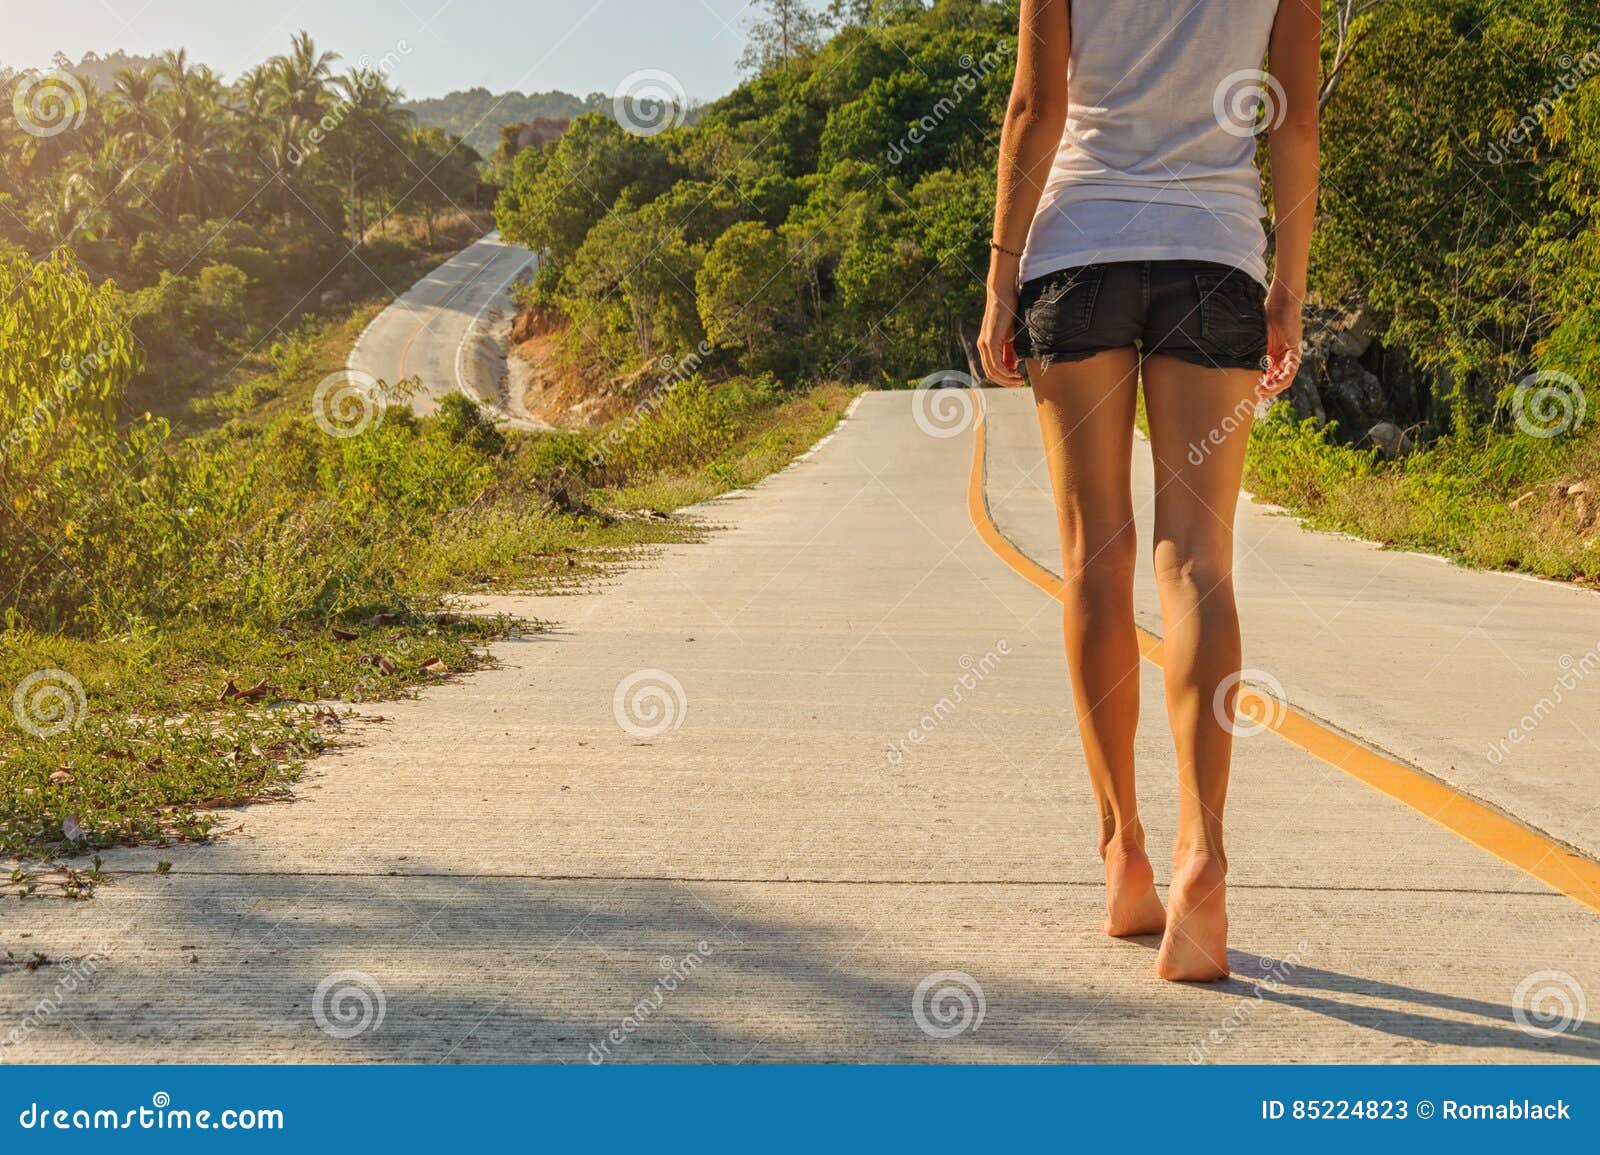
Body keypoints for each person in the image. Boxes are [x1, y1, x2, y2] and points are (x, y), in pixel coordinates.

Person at [978, 0, 1320, 981]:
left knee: (1094, 557)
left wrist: (1002, 280)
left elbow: (1034, 108)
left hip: (1076, 248)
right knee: (1197, 559)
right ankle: (1201, 849)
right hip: (1212, 257)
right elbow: (1293, 124)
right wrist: (1286, 288)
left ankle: (1122, 854)